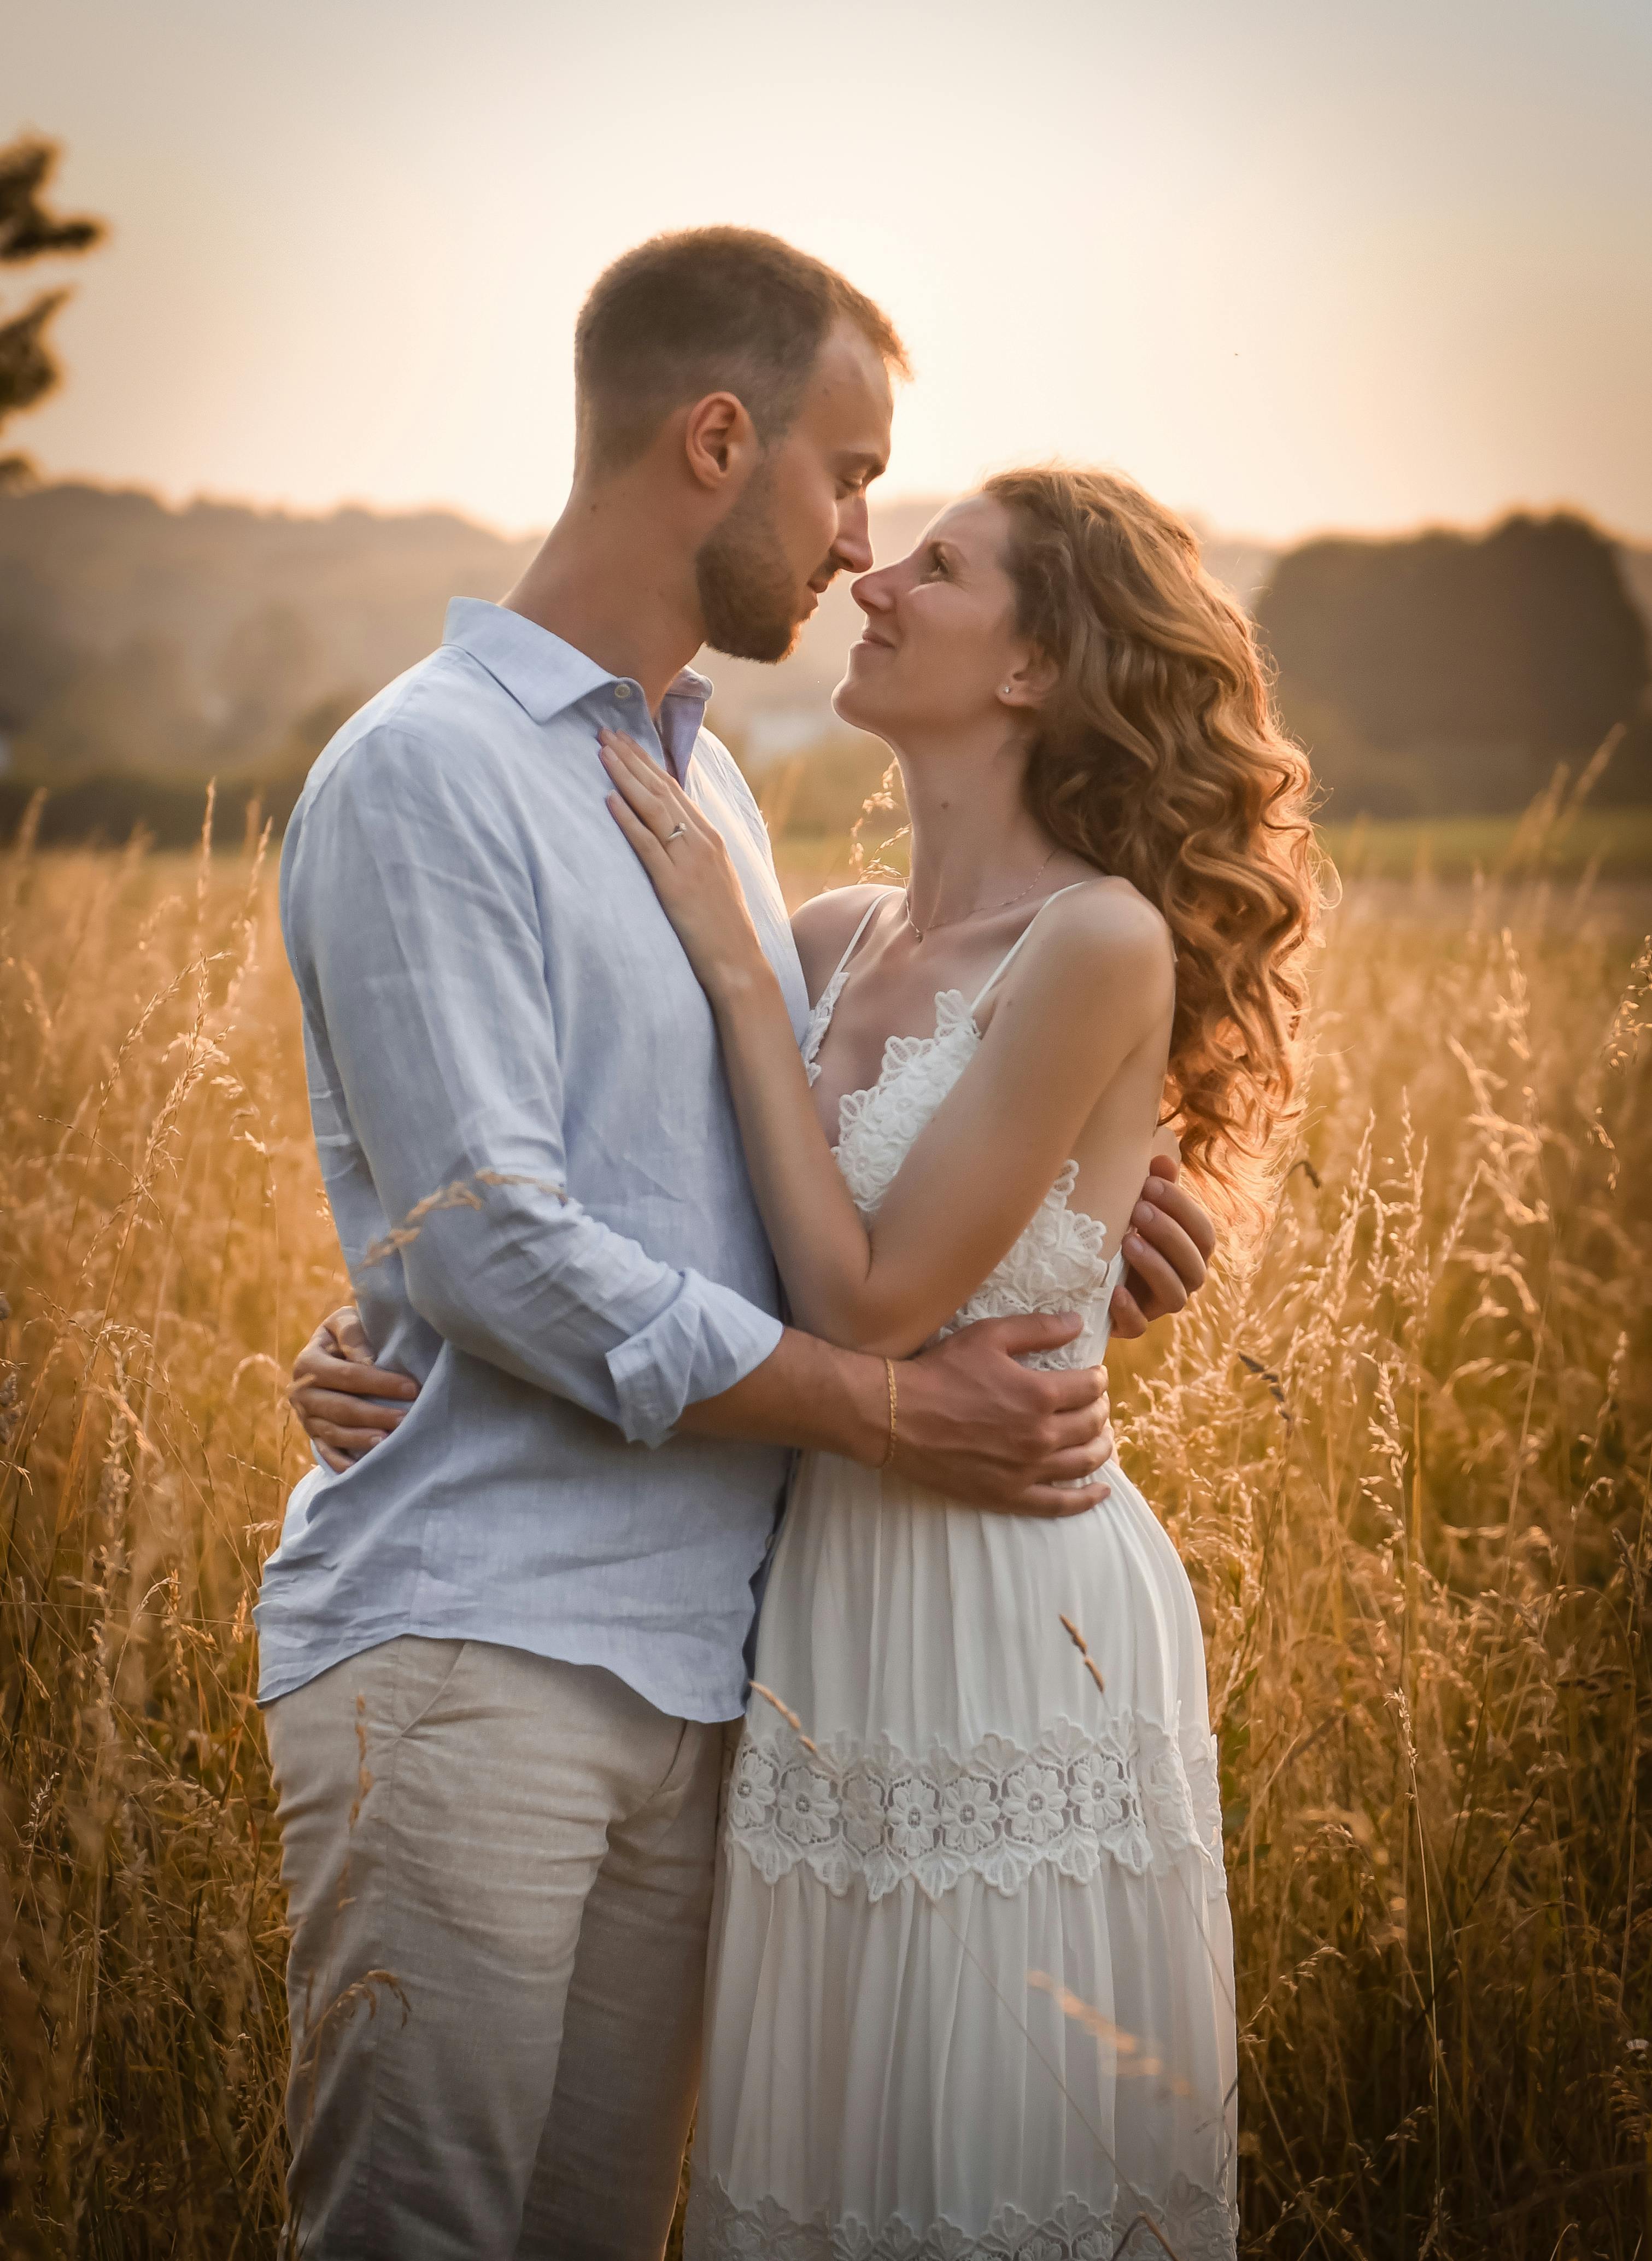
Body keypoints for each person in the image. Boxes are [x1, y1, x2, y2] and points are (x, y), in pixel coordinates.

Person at [264, 227, 1216, 2261]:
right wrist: (875, 1407)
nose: (865, 543)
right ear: (720, 438)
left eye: (901, 516)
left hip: (731, 1675)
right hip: (481, 1651)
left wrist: (1082, 1200)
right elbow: (493, 1241)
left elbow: (681, 1176)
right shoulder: (428, 770)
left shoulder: (719, 812)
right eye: (850, 476)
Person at [595, 466, 1319, 2257]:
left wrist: (734, 985)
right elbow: (632, 1204)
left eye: (939, 564)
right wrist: (380, 1328)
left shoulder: (1096, 941)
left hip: (1010, 1602)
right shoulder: (834, 942)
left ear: (1036, 669)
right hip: (824, 1614)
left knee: (1001, 2157)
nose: (873, 577)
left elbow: (864, 1304)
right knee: (842, 2154)